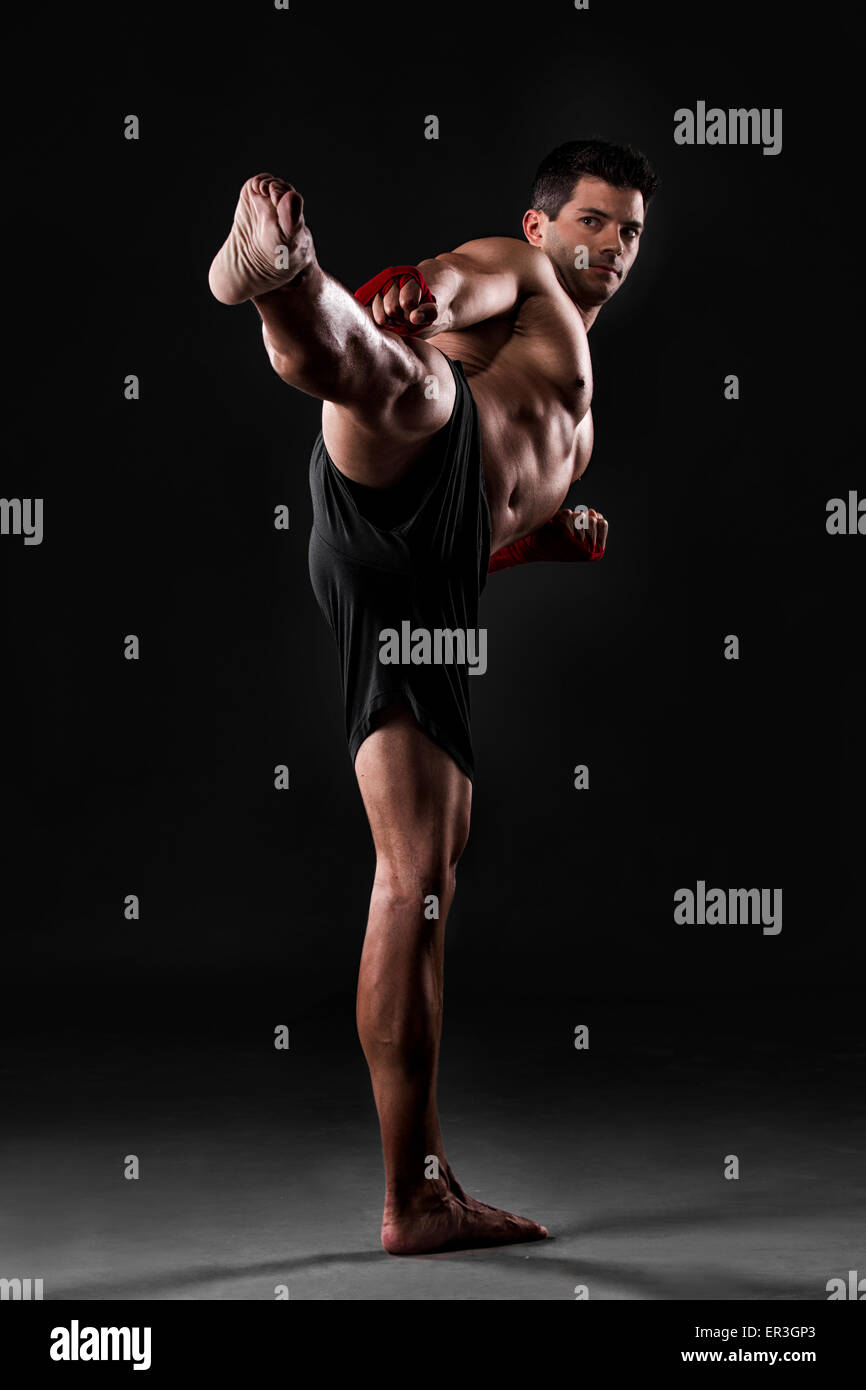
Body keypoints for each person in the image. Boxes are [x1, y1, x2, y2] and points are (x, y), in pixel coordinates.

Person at [208, 139, 659, 1255]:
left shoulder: (581, 421)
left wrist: (538, 542)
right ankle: (282, 272)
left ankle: (422, 1187)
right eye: (592, 221)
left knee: (424, 864)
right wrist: (424, 290)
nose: (609, 244)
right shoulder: (525, 272)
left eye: (630, 231)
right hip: (418, 439)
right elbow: (463, 279)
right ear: (544, 225)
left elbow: (461, 542)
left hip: (416, 552)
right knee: (399, 375)